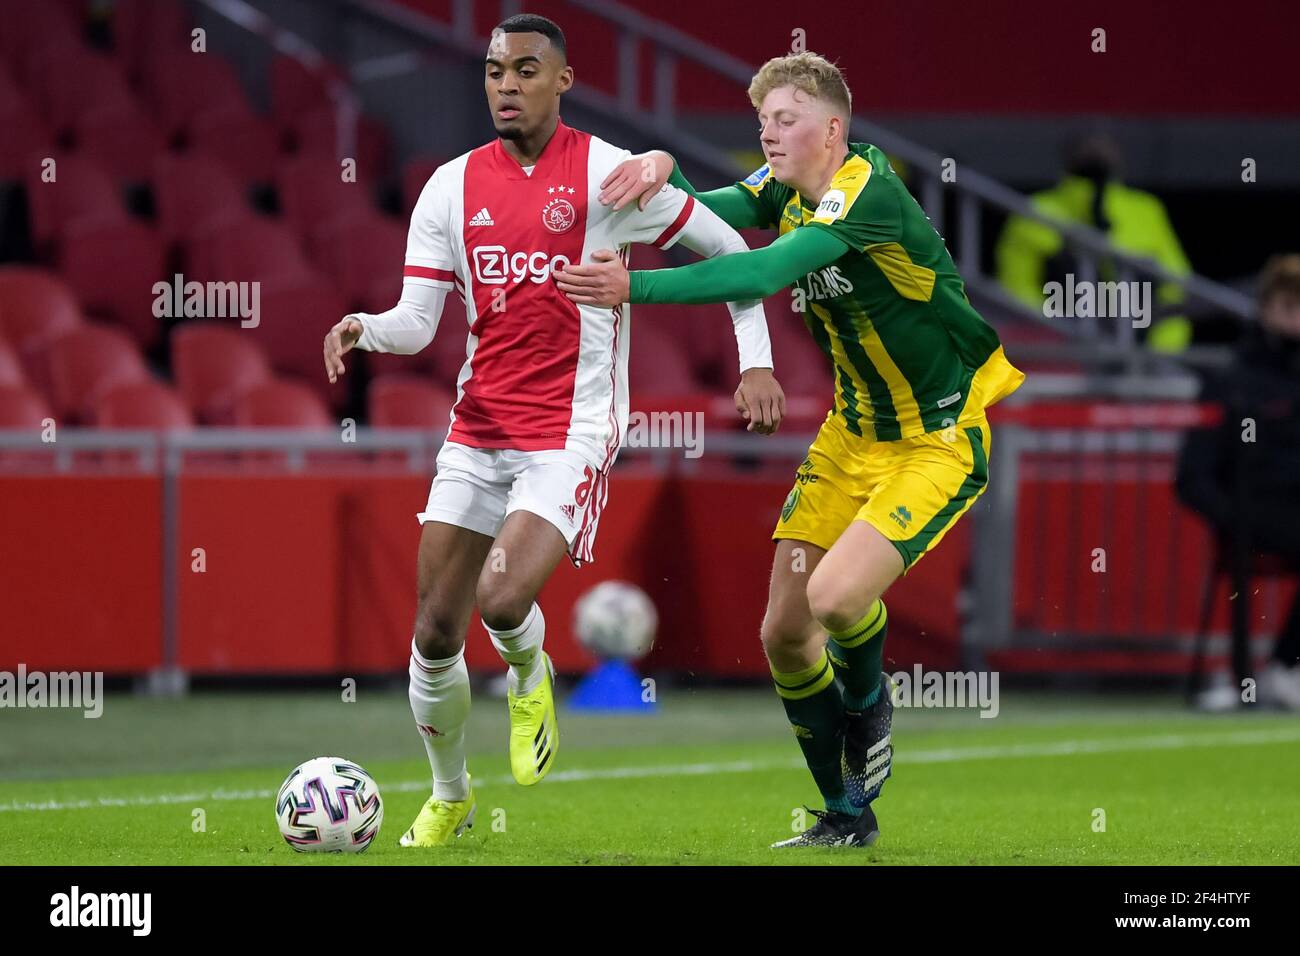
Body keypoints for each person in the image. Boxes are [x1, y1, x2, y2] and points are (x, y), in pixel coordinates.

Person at [322, 14, 784, 847]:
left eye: (527, 70)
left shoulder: (613, 176)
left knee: (502, 596)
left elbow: (730, 252)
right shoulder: (450, 188)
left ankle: (531, 666)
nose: (507, 84)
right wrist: (367, 326)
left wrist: (755, 361)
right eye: (496, 70)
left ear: (562, 81)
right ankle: (451, 794)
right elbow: (420, 322)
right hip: (477, 427)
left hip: (571, 428)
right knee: (432, 630)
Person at [555, 51, 1024, 848]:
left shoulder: (864, 195)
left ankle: (869, 705)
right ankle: (846, 813)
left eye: (785, 120)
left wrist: (635, 288)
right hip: (851, 436)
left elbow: (765, 266)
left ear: (832, 129)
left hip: (936, 437)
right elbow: (701, 214)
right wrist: (659, 174)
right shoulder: (788, 190)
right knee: (782, 633)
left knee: (837, 600)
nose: (768, 135)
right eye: (761, 121)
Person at [1176, 253, 1300, 710]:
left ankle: (1285, 667)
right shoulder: (1231, 381)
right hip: (1250, 515)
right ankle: (1277, 672)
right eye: (1290, 306)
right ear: (1266, 308)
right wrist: (1234, 519)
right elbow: (1192, 476)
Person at [995, 133, 1193, 351]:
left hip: (1143, 352)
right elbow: (1017, 290)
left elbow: (1175, 285)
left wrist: (1158, 351)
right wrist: (1066, 339)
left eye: (1104, 148)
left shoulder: (1146, 209)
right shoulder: (1037, 210)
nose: (1096, 154)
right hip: (1067, 354)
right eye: (1088, 148)